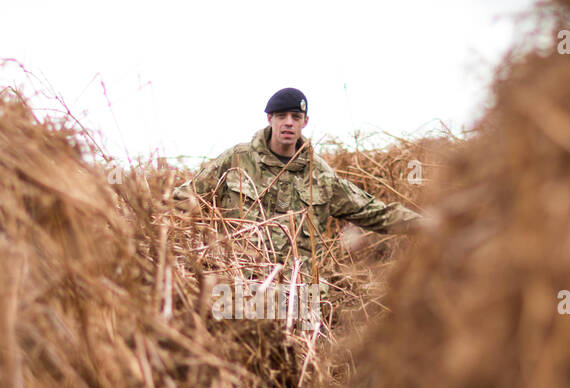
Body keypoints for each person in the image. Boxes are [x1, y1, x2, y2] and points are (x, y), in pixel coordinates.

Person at [171, 88, 422, 279]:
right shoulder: (236, 159)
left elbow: (374, 212)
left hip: (300, 293)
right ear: (270, 119)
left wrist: (428, 224)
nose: (288, 122)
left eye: (296, 116)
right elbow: (183, 200)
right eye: (282, 116)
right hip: (240, 285)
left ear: (305, 121)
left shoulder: (320, 175)